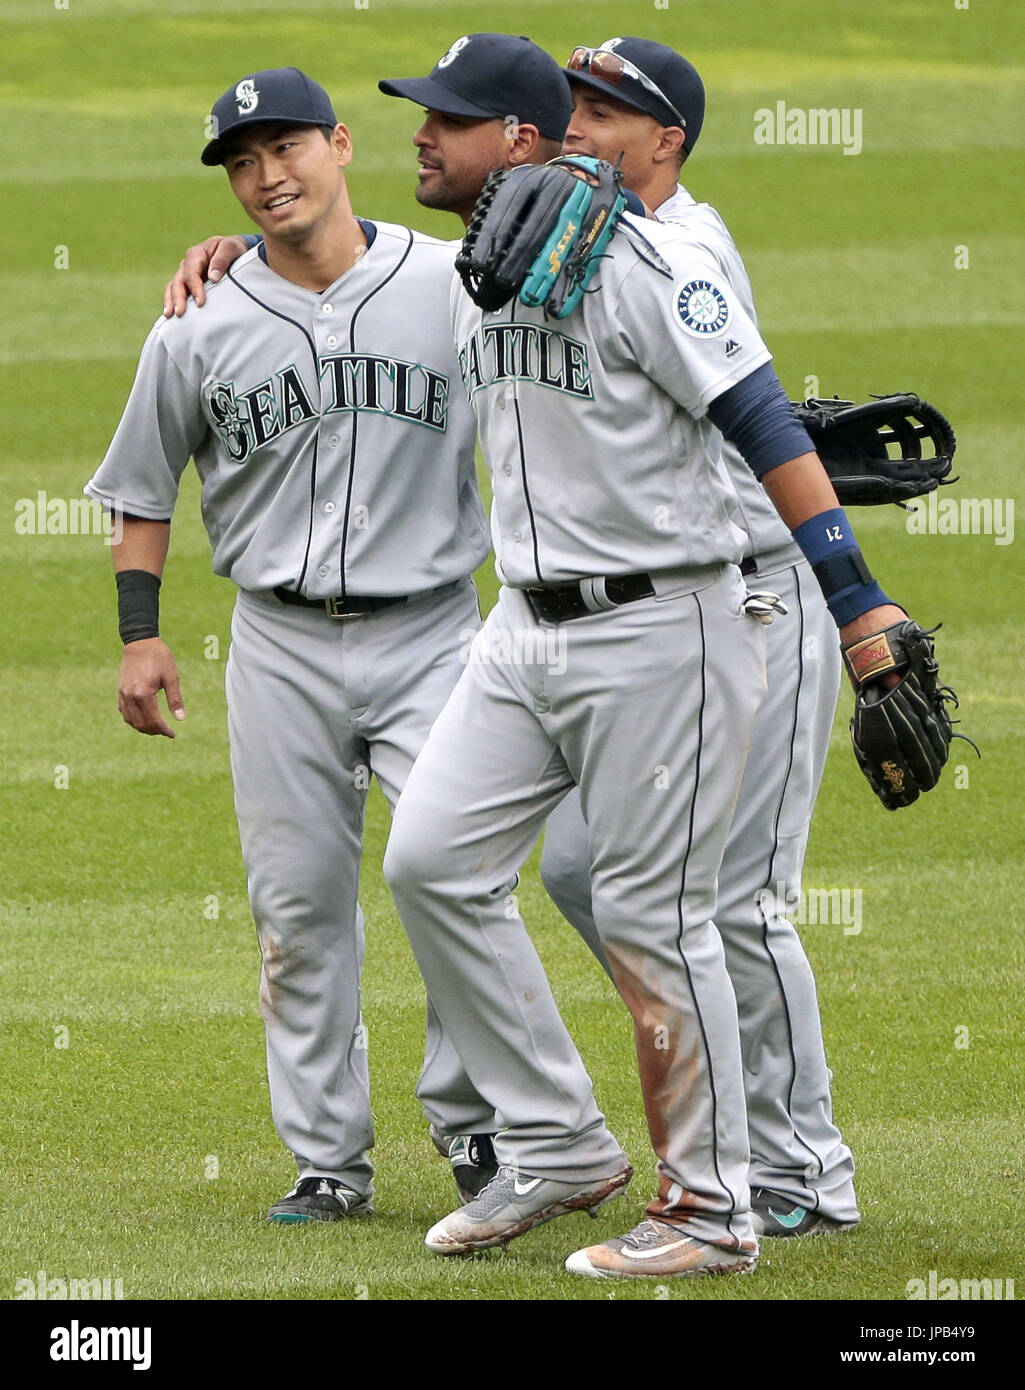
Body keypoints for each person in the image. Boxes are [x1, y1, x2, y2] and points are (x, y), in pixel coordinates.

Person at [373, 42, 915, 1277]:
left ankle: (721, 1204)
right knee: (430, 860)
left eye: (451, 121)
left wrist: (853, 599)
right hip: (521, 626)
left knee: (667, 911)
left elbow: (762, 416)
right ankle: (558, 1140)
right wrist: (243, 256)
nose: (424, 137)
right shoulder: (486, 259)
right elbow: (347, 260)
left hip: (667, 618)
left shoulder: (653, 255)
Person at [88, 61, 629, 1227]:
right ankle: (328, 1161)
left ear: (340, 147)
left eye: (284, 148)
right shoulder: (197, 321)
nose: (265, 175)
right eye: (241, 161)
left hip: (436, 632)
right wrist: (141, 638)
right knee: (295, 912)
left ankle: (480, 1136)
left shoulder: (452, 284)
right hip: (274, 645)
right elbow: (143, 490)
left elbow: (585, 346)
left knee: (450, 881)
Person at [539, 37, 860, 1239]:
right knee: (582, 867)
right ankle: (729, 1121)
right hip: (673, 620)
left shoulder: (677, 247)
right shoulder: (587, 232)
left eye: (605, 112)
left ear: (665, 141)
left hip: (766, 603)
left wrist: (850, 593)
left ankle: (800, 1169)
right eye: (569, 103)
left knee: (742, 898)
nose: (575, 126)